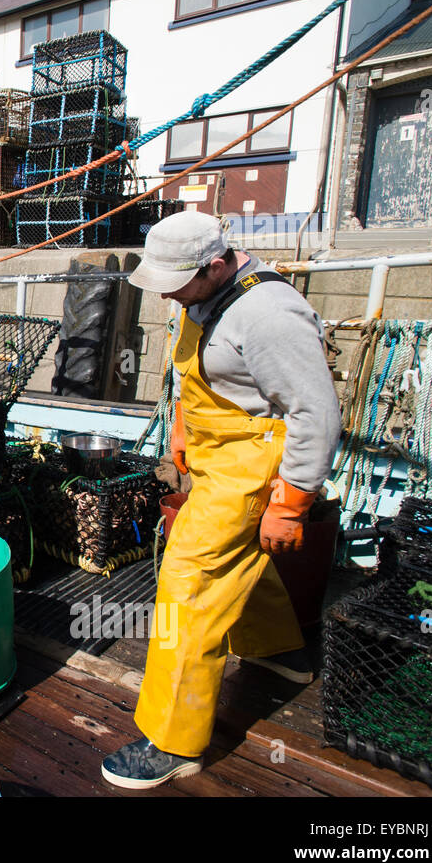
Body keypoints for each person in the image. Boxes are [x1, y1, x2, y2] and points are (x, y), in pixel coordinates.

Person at [101, 211, 341, 790]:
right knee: (234, 566)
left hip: (251, 472)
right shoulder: (204, 298)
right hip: (215, 459)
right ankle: (281, 652)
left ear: (215, 266)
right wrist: (183, 431)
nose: (167, 294)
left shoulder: (269, 315)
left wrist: (292, 501)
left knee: (188, 587)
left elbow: (317, 413)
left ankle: (173, 740)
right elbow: (197, 378)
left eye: (175, 281)